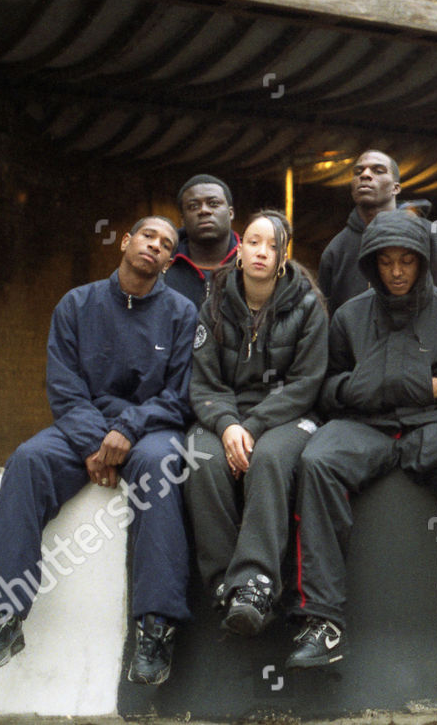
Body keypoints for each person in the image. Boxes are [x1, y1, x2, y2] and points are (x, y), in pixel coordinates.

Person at [289, 210, 437, 673]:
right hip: (365, 426)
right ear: (371, 265)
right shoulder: (348, 318)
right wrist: (349, 388)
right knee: (316, 460)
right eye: (386, 262)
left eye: (407, 262)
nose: (396, 272)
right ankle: (321, 621)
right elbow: (323, 387)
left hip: (434, 424)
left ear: (422, 262)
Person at [0, 216, 197, 686]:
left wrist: (128, 429)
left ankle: (155, 628)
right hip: (83, 427)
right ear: (127, 242)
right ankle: (2, 617)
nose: (154, 245)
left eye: (165, 244)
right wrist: (96, 442)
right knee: (28, 460)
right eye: (147, 236)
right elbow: (65, 388)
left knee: (159, 468)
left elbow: (181, 394)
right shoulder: (77, 303)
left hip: (149, 428)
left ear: (170, 262)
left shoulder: (181, 313)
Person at [183, 210, 328, 637]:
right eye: (253, 242)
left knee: (266, 459)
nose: (262, 251)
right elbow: (204, 383)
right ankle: (227, 588)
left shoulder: (307, 304)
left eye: (272, 245)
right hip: (225, 413)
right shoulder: (213, 303)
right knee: (201, 458)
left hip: (289, 414)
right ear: (239, 248)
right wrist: (228, 426)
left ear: (284, 255)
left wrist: (254, 426)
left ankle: (256, 585)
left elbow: (306, 384)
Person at [318, 149, 437, 310]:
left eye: (378, 171)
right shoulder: (336, 248)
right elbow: (325, 316)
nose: (365, 175)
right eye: (358, 171)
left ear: (396, 188)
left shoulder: (431, 234)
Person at [163, 175, 238, 309]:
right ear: (183, 220)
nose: (204, 210)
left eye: (213, 203)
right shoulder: (162, 264)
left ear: (230, 213)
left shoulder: (252, 262)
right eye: (193, 206)